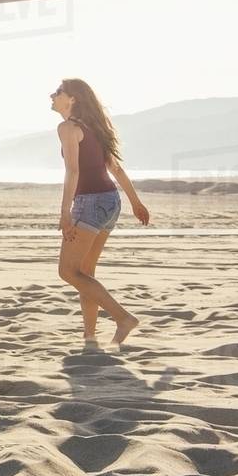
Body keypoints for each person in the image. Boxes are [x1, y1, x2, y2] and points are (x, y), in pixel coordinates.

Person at [51, 78, 150, 346]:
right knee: (85, 272)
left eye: (58, 92)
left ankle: (123, 318)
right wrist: (135, 202)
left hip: (90, 204)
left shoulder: (68, 128)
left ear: (72, 99)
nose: (53, 95)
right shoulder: (94, 128)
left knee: (68, 271)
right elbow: (115, 170)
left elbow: (73, 170)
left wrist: (65, 212)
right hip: (110, 201)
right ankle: (90, 337)